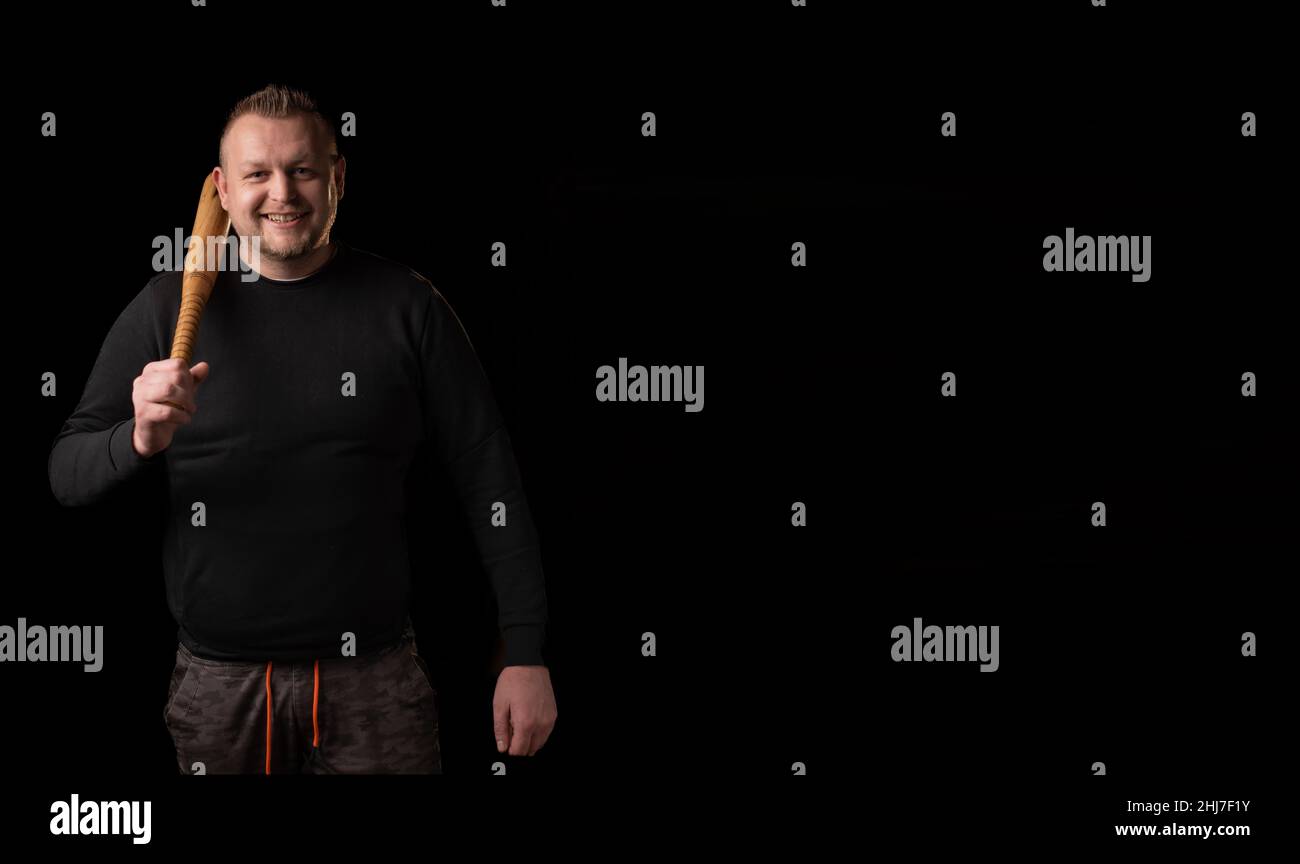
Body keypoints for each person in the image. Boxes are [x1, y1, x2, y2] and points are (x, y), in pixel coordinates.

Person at [47, 84, 557, 774]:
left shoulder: (408, 306)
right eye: (257, 173)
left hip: (375, 679)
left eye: (303, 169)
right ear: (223, 189)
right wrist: (134, 439)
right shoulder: (168, 309)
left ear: (337, 177)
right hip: (217, 685)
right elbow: (66, 472)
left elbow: (490, 481)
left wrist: (523, 652)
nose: (282, 192)